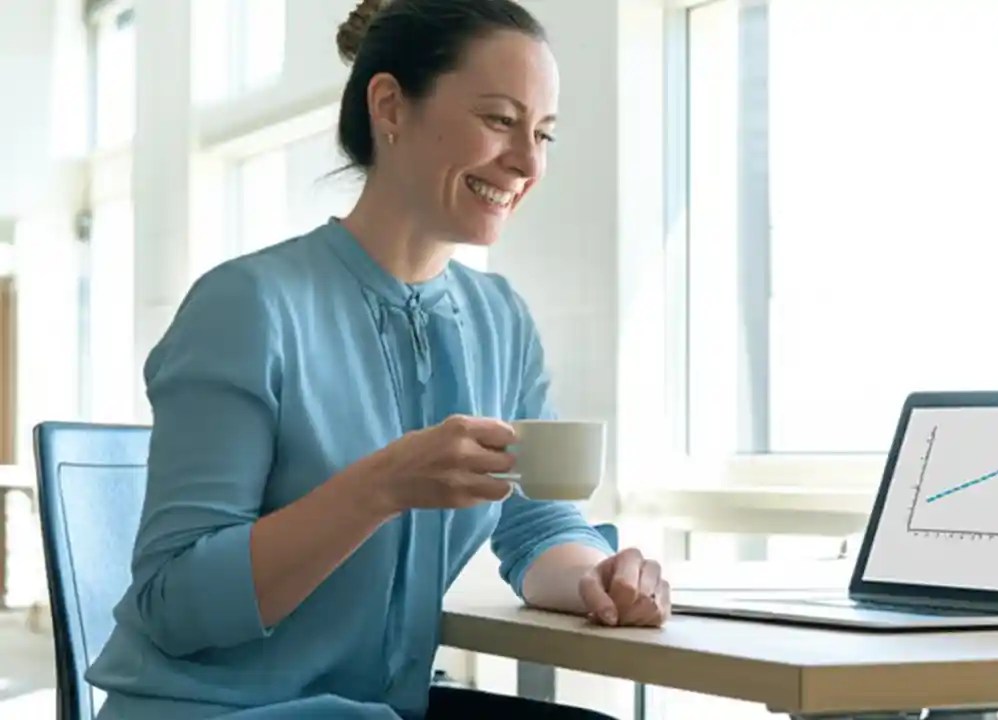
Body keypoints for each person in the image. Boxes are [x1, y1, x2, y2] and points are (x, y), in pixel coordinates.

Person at [85, 1, 670, 717]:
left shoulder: (500, 319)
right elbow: (174, 605)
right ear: (390, 106)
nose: (528, 162)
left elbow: (538, 527)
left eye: (543, 133)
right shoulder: (246, 306)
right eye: (499, 120)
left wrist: (600, 578)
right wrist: (381, 486)